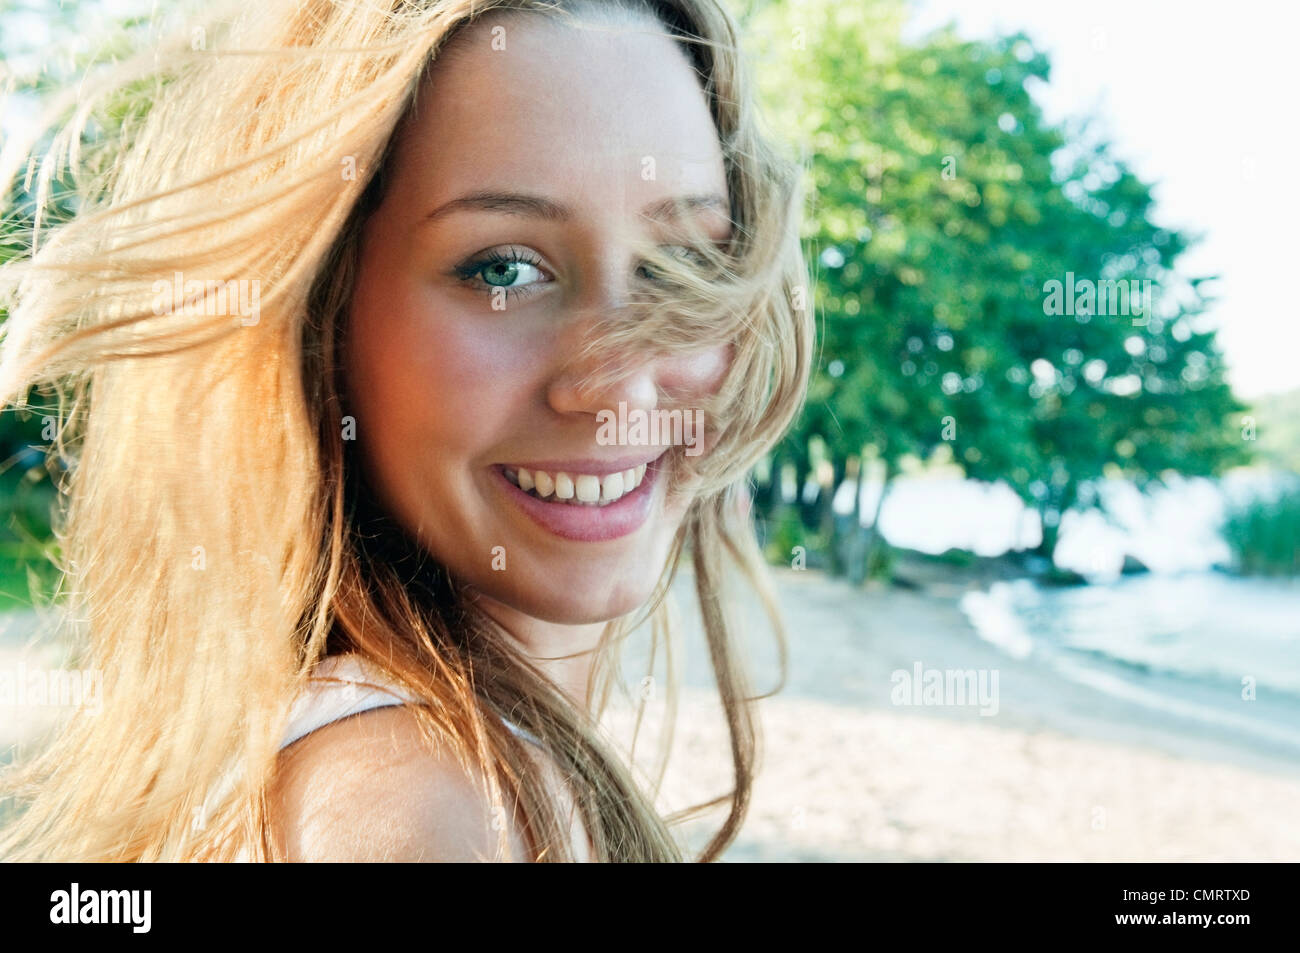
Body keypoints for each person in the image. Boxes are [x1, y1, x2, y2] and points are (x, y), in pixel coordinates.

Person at [0, 0, 812, 862]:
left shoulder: (350, 755)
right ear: (320, 316)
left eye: (685, 262)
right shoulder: (428, 809)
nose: (618, 386)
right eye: (503, 268)